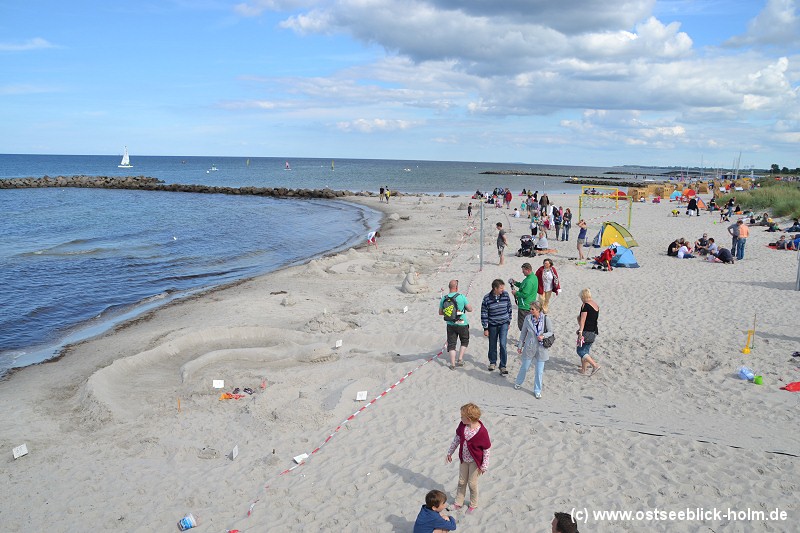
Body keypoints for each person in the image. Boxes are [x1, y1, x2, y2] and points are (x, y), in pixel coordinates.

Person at [445, 403, 491, 514]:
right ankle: (458, 502)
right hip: (463, 459)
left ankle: (473, 504)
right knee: (461, 481)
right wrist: (450, 452)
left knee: (472, 483)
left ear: (469, 419)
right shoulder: (462, 426)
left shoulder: (482, 432)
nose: (460, 418)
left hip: (476, 462)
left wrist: (484, 465)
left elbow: (486, 449)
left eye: (462, 416)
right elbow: (456, 439)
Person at [515, 301, 553, 398]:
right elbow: (523, 333)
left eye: (532, 309)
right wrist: (520, 346)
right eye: (530, 309)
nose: (530, 310)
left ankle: (537, 390)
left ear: (538, 310)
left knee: (539, 371)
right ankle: (518, 382)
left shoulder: (545, 319)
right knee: (525, 367)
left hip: (541, 348)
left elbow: (551, 332)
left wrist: (543, 336)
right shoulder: (528, 319)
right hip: (529, 347)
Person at [439, 280, 473, 370]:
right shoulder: (461, 297)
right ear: (456, 287)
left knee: (452, 344)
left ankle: (453, 364)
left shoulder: (444, 298)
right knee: (464, 340)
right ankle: (460, 359)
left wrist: (450, 312)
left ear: (449, 287)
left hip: (450, 323)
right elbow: (470, 309)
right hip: (462, 322)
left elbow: (440, 312)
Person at [481, 279, 513, 375]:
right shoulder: (487, 298)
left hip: (504, 323)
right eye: (501, 288)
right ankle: (492, 362)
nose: (502, 290)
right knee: (492, 344)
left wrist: (508, 321)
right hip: (492, 325)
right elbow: (484, 313)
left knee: (503, 344)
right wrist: (485, 328)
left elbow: (509, 308)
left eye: (503, 288)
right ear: (495, 288)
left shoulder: (506, 295)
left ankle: (503, 366)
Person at [576, 288, 601, 375]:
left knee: (580, 351)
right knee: (586, 350)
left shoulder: (585, 305)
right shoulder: (595, 305)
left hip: (587, 331)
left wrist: (580, 332)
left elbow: (583, 321)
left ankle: (595, 365)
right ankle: (583, 369)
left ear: (583, 296)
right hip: (594, 331)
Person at [511, 262, 538, 330]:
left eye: (523, 271)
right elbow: (524, 286)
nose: (522, 272)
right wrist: (516, 283)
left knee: (522, 325)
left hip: (524, 306)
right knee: (529, 323)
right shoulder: (533, 277)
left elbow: (525, 294)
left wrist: (516, 293)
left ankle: (525, 339)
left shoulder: (529, 281)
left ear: (528, 270)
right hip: (530, 304)